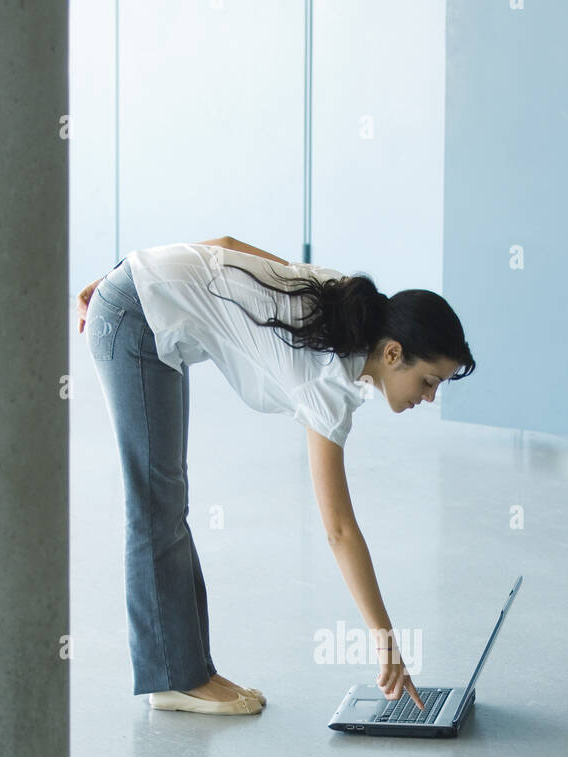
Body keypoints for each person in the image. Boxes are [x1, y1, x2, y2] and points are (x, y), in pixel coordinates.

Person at [77, 235, 475, 715]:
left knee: (166, 502)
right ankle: (175, 681)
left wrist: (131, 276)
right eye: (429, 381)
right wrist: (385, 641)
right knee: (153, 503)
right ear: (392, 354)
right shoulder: (325, 381)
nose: (429, 397)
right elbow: (340, 531)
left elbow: (224, 246)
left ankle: (189, 672)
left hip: (136, 297)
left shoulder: (342, 299)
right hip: (132, 318)